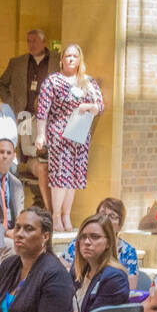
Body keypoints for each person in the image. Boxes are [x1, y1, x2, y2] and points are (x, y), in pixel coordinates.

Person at [35, 43, 105, 231]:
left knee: (73, 178)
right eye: (67, 56)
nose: (71, 59)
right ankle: (56, 216)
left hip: (80, 134)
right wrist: (41, 134)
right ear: (62, 60)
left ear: (79, 59)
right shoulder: (53, 81)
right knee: (60, 177)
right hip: (59, 133)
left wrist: (86, 107)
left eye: (74, 56)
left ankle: (67, 216)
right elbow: (43, 110)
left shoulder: (88, 81)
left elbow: (100, 106)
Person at [0, 29, 57, 215]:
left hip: (50, 118)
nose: (31, 44)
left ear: (44, 42)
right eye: (28, 40)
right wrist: (13, 103)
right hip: (24, 114)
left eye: (34, 41)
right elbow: (0, 85)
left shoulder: (57, 60)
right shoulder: (17, 63)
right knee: (30, 156)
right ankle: (50, 213)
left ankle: (54, 213)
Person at [62, 196, 139, 283]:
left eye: (112, 216)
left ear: (120, 225)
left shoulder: (128, 252)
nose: (106, 219)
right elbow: (61, 267)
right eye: (102, 214)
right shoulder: (81, 241)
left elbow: (130, 287)